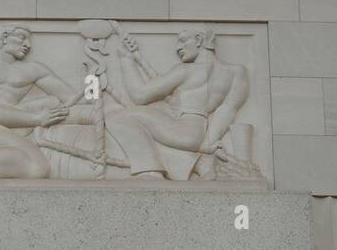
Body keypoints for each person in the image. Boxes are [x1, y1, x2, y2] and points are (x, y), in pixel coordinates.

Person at [106, 26, 250, 179]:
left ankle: (150, 170)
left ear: (199, 40)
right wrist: (207, 142)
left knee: (116, 118)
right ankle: (197, 163)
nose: (177, 48)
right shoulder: (236, 72)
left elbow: (139, 96)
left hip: (179, 129)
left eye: (182, 40)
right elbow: (227, 110)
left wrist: (126, 59)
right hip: (197, 132)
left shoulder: (186, 70)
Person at [0, 24, 81, 179]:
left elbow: (72, 98)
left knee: (51, 102)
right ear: (3, 37)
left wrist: (97, 83)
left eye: (29, 39)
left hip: (7, 126)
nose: (28, 44)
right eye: (21, 37)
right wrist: (39, 118)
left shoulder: (33, 69)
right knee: (39, 167)